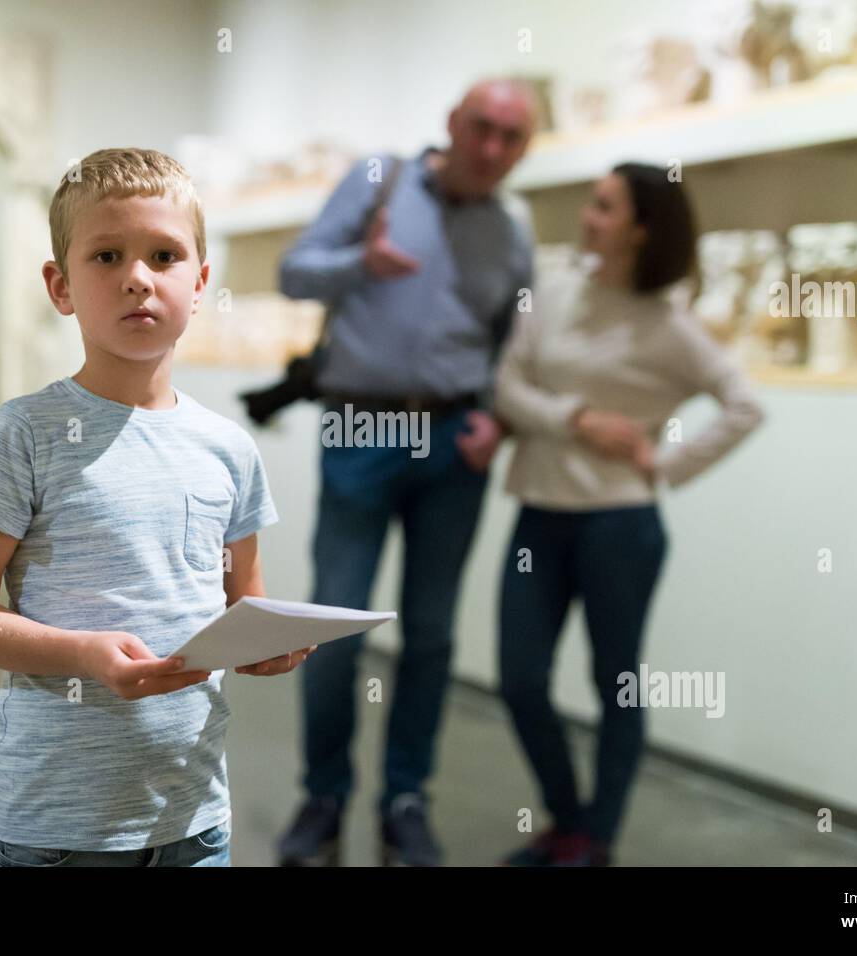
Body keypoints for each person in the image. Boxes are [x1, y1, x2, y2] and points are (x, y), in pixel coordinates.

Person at [0, 148, 314, 867]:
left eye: (164, 255)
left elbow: (244, 613)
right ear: (60, 285)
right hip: (57, 823)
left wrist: (271, 647)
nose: (138, 277)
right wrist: (82, 654)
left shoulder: (228, 449)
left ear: (200, 284)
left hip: (191, 816)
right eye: (107, 256)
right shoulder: (26, 434)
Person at [275, 79, 539, 866]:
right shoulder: (375, 180)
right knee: (334, 628)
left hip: (455, 438)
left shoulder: (512, 229)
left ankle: (405, 799)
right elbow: (295, 272)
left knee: (431, 635)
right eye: (481, 129)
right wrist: (364, 261)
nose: (492, 149)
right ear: (452, 124)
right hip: (363, 423)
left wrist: (499, 412)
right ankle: (323, 797)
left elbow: (511, 342)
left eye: (511, 138)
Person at [493, 162, 766, 866]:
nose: (589, 216)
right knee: (520, 679)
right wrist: (577, 418)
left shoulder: (669, 324)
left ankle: (596, 838)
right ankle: (567, 819)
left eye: (605, 207)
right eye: (592, 201)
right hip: (538, 515)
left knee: (615, 682)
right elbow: (507, 388)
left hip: (620, 524)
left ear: (642, 230)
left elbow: (746, 405)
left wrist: (666, 466)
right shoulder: (551, 293)